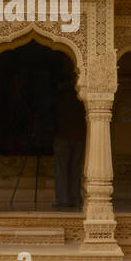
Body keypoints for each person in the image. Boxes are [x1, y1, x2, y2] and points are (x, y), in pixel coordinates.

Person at [52, 76, 84, 209]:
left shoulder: (60, 102)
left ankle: (63, 199)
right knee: (75, 170)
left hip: (63, 138)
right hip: (78, 138)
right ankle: (75, 198)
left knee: (62, 170)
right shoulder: (81, 101)